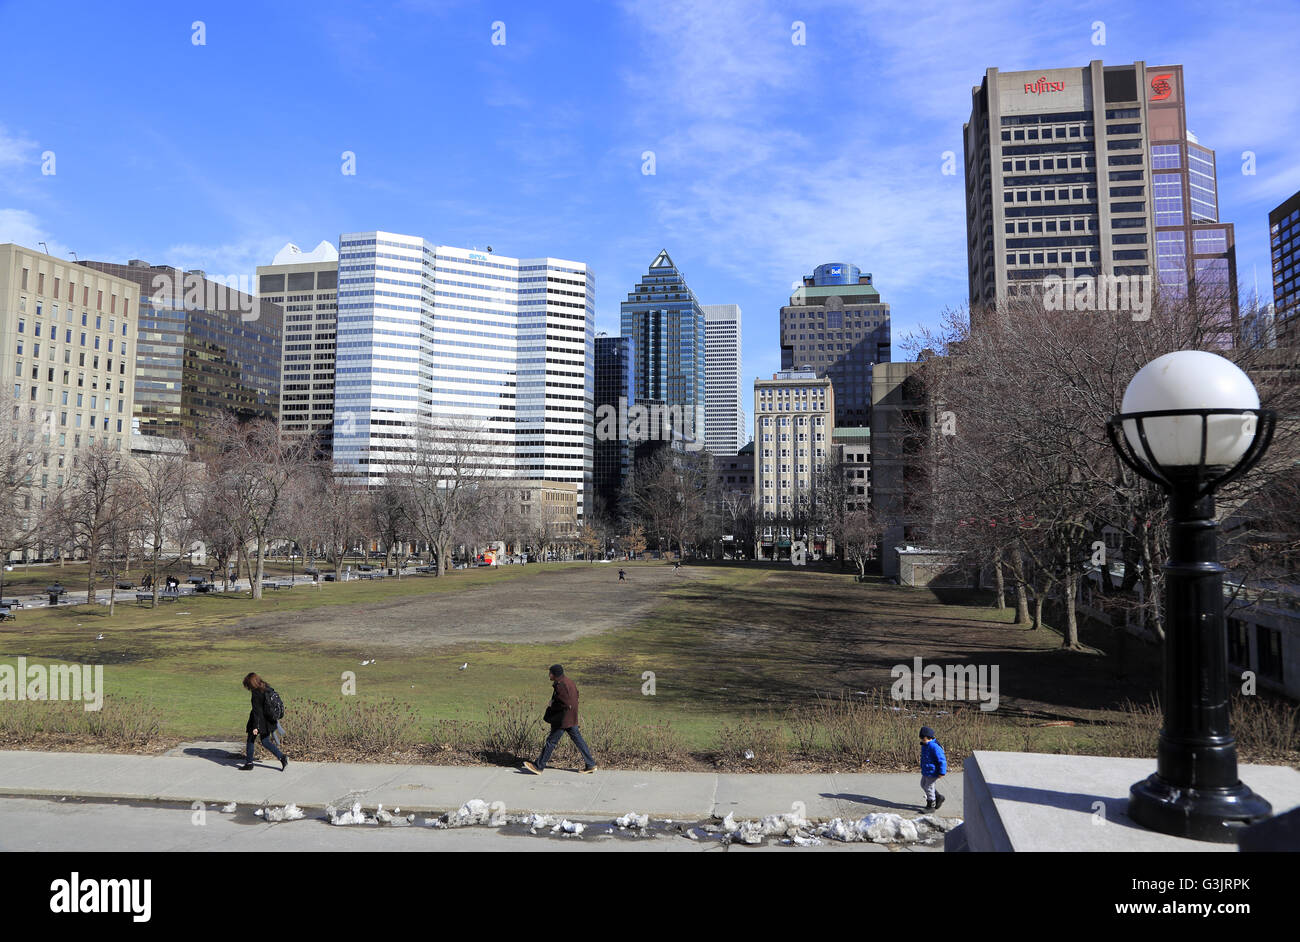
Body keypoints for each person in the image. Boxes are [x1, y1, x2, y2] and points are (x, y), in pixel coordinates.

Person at [521, 664, 597, 775]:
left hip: (563, 719)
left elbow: (566, 703)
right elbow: (576, 695)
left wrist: (552, 705)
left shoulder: (561, 685)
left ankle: (538, 766)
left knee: (551, 742)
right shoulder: (568, 681)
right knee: (578, 741)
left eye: (550, 673)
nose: (549, 675)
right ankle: (590, 764)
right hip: (571, 717)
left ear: (555, 674)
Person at [239, 672, 288, 771]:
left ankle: (249, 763)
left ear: (251, 684)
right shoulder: (266, 687)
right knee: (265, 741)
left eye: (248, 685)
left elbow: (257, 712)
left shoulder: (256, 693)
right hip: (268, 721)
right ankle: (282, 757)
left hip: (259, 721)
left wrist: (255, 727)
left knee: (250, 740)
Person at [919, 726, 947, 810]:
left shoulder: (934, 747)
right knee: (923, 784)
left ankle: (931, 805)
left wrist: (942, 772)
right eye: (921, 739)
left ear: (929, 738)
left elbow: (942, 760)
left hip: (933, 772)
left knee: (928, 787)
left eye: (924, 739)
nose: (922, 741)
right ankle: (938, 797)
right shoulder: (925, 745)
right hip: (926, 771)